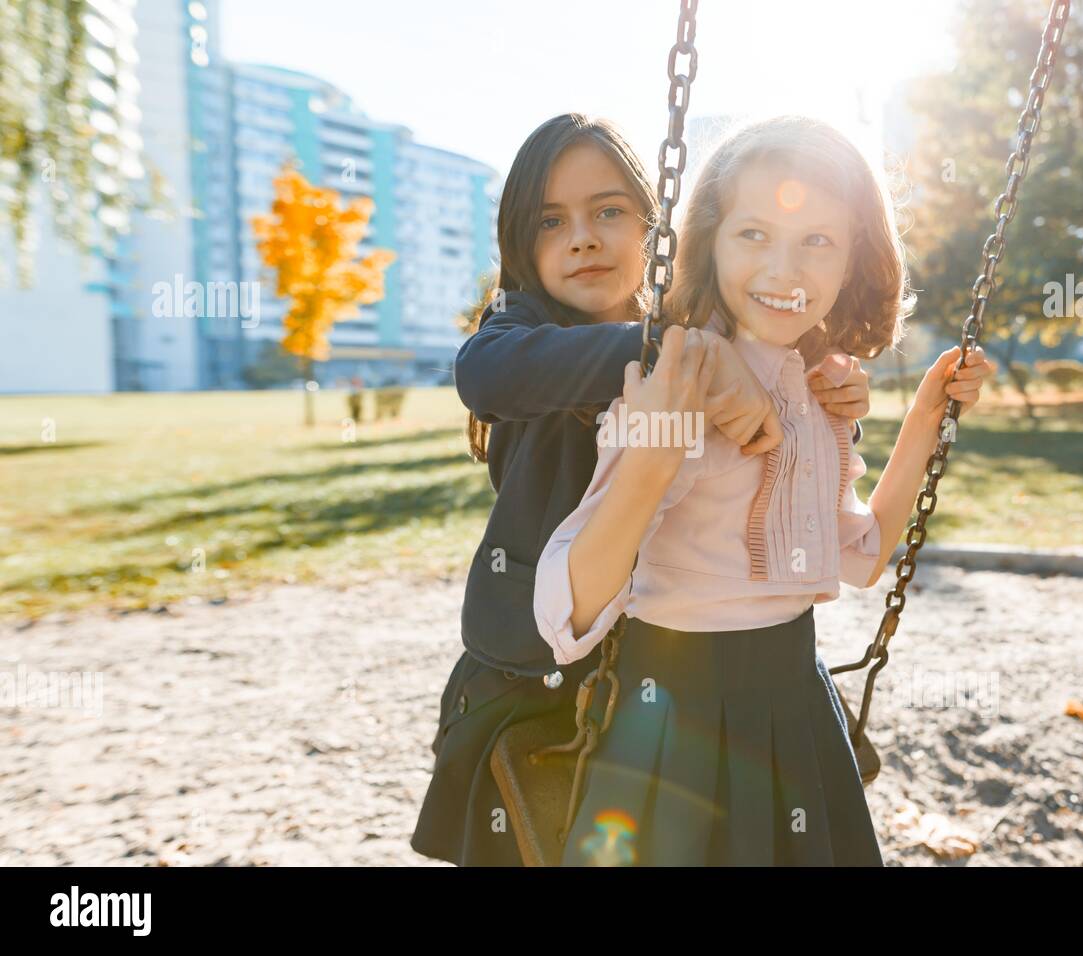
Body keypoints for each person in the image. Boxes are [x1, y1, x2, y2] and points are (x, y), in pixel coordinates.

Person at [409, 113, 874, 865]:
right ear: (522, 247)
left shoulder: (705, 324)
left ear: (660, 229)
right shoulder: (523, 331)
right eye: (551, 220)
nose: (583, 237)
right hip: (543, 674)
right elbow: (485, 374)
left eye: (608, 211)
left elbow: (778, 432)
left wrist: (837, 399)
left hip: (672, 668)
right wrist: (669, 351)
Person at [533, 115, 996, 866]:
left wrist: (929, 412)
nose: (786, 272)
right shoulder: (674, 380)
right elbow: (567, 610)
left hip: (795, 705)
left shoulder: (819, 393)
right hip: (672, 720)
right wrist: (653, 459)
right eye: (754, 235)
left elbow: (863, 554)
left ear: (853, 262)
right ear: (709, 244)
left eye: (818, 241)